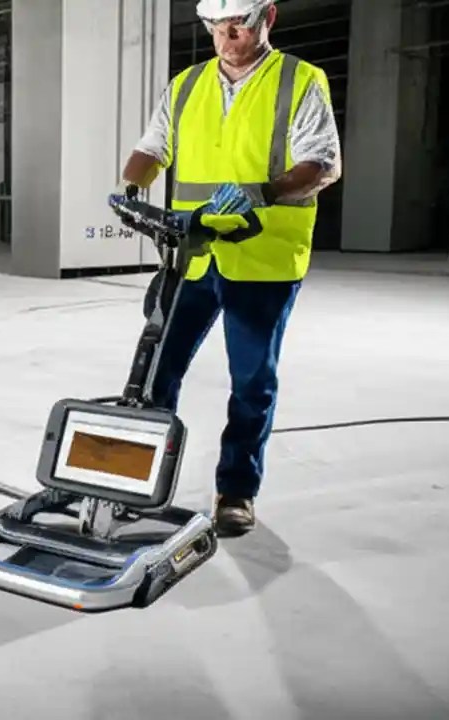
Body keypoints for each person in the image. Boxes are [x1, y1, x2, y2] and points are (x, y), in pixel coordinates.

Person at [119, 0, 342, 536]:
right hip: (191, 255)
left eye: (239, 25)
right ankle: (136, 482)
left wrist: (260, 191)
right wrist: (130, 187)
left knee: (251, 382)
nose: (228, 36)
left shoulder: (300, 80)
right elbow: (153, 147)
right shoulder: (186, 84)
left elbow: (323, 165)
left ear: (269, 17)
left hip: (262, 258)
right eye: (218, 27)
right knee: (155, 372)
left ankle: (236, 489)